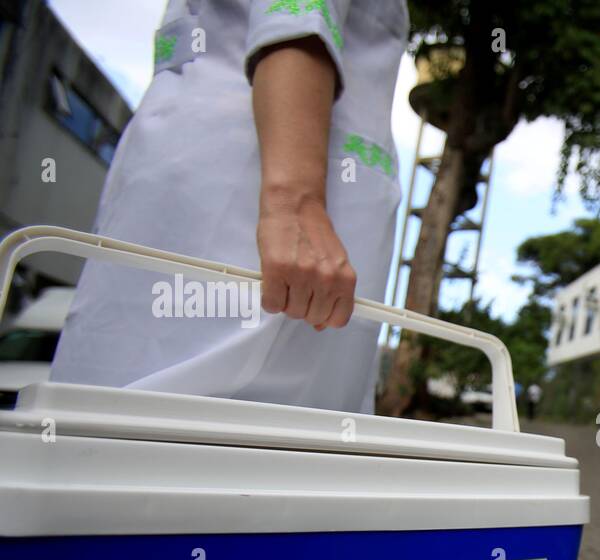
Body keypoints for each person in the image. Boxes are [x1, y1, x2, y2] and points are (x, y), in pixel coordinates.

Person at [50, 0, 408, 413]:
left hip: (215, 172)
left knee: (122, 419)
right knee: (171, 427)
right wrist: (295, 200)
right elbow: (294, 13)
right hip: (255, 199)